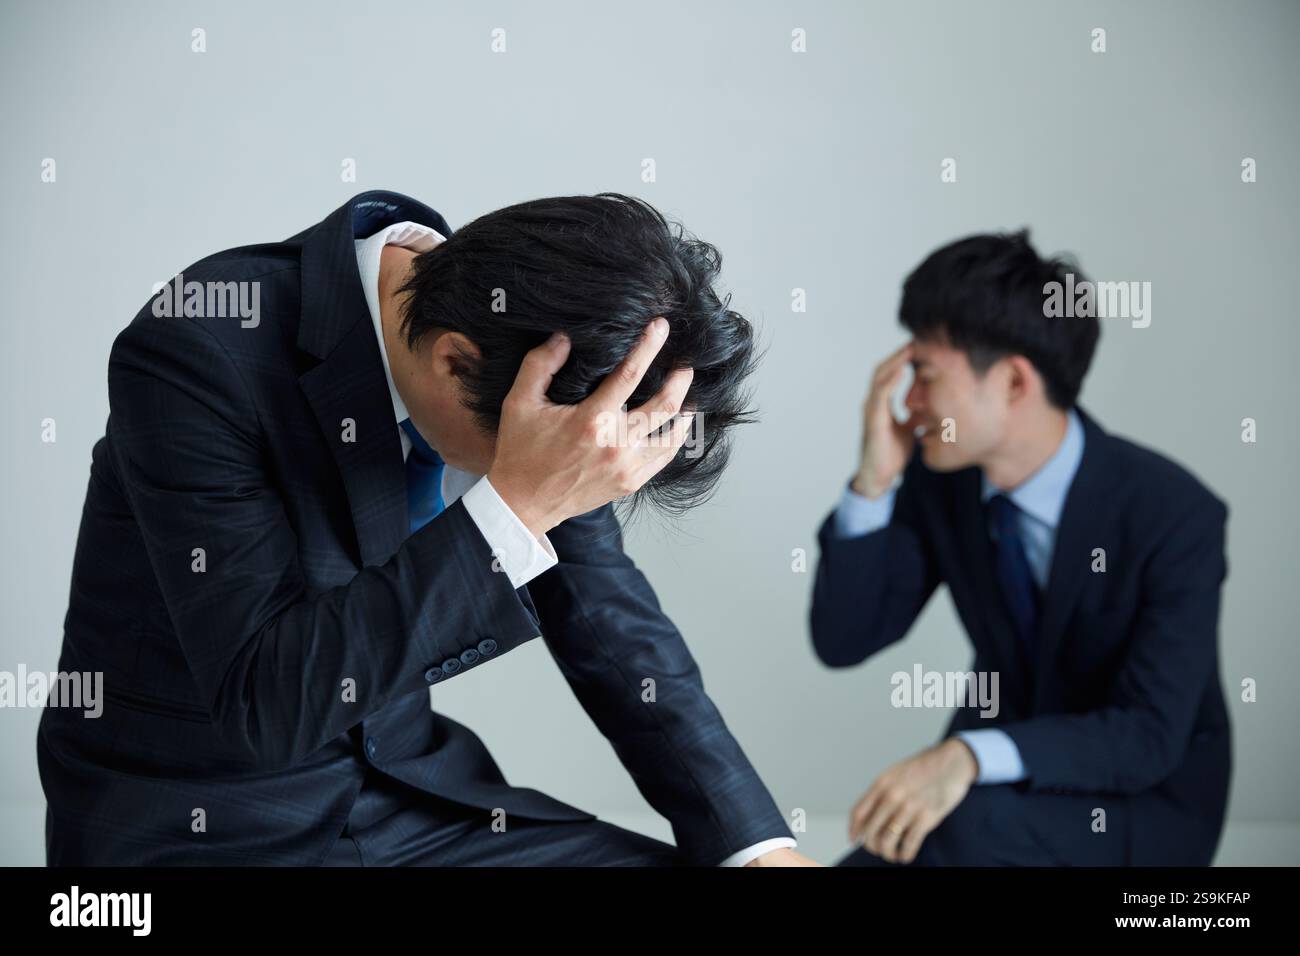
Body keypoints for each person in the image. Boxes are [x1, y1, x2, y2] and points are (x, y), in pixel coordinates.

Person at [38, 189, 815, 867]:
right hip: (200, 827)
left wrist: (755, 845)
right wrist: (515, 502)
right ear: (451, 363)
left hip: (414, 810)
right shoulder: (200, 349)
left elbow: (610, 623)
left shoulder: (538, 333)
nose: (570, 489)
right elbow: (263, 703)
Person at [812, 231, 1231, 866]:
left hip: (1139, 806)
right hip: (986, 800)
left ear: (1012, 382)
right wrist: (872, 484)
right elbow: (845, 638)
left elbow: (1147, 734)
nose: (908, 402)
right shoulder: (941, 480)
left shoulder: (1172, 514)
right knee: (881, 853)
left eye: (924, 373)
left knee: (957, 831)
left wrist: (969, 754)